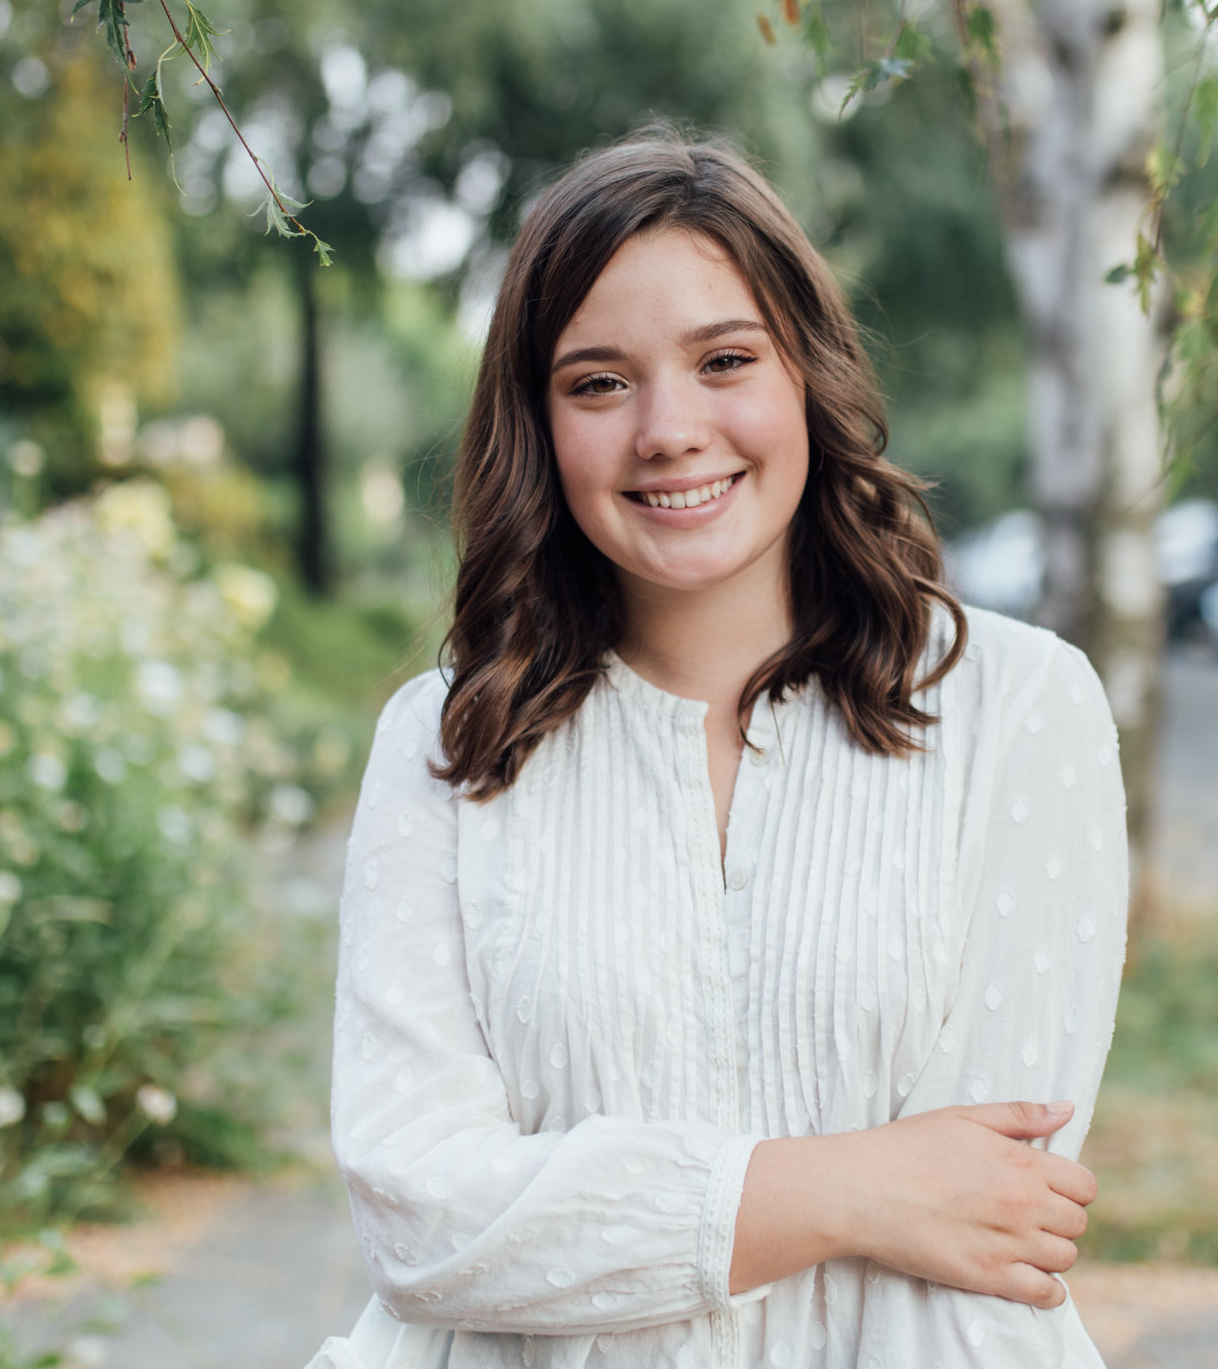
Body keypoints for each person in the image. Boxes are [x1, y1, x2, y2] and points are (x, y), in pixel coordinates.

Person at [305, 130, 1130, 1369]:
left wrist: (596, 1209)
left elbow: (984, 1230)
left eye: (725, 359)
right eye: (598, 383)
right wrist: (854, 1188)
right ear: (538, 425)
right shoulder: (443, 740)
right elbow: (420, 1222)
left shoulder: (1018, 708)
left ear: (808, 375)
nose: (668, 428)